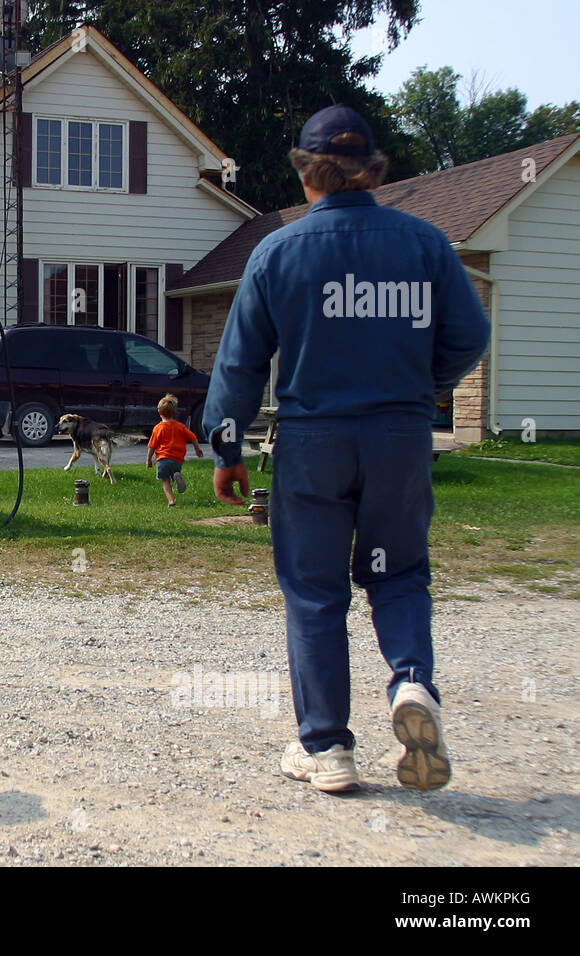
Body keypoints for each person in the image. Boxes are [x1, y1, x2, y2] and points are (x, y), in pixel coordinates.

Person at [203, 105, 491, 792]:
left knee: (315, 590)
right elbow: (470, 335)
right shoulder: (425, 245)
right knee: (397, 573)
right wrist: (425, 386)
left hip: (314, 444)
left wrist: (225, 450)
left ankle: (327, 747)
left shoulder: (277, 252)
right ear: (372, 169)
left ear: (307, 174)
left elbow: (239, 365)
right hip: (400, 437)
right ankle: (413, 685)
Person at [145, 394, 203, 506]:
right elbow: (193, 437)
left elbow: (152, 446)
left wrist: (148, 460)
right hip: (177, 460)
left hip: (162, 459)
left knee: (165, 481)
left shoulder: (158, 428)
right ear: (175, 412)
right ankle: (176, 476)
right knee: (173, 472)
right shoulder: (180, 426)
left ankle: (171, 500)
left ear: (159, 412)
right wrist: (197, 449)